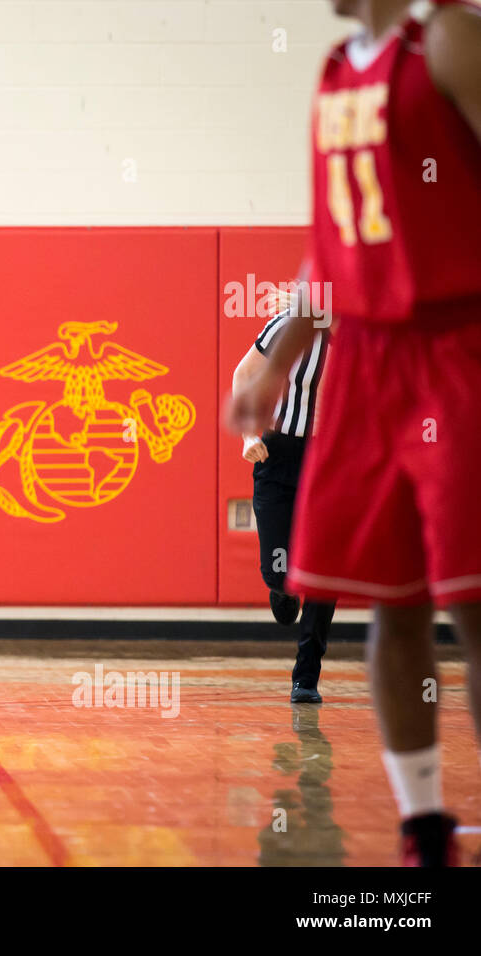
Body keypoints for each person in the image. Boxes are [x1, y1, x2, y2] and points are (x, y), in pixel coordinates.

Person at [229, 0, 481, 866]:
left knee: (471, 600)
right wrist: (275, 359)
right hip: (367, 360)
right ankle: (424, 828)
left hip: (452, 342)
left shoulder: (448, 35)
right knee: (392, 602)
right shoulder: (340, 67)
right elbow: (332, 244)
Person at [232, 301, 336, 702]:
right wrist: (248, 437)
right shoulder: (285, 327)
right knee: (279, 572)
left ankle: (306, 676)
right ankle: (283, 587)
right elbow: (244, 375)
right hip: (277, 455)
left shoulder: (361, 339)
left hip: (328, 458)